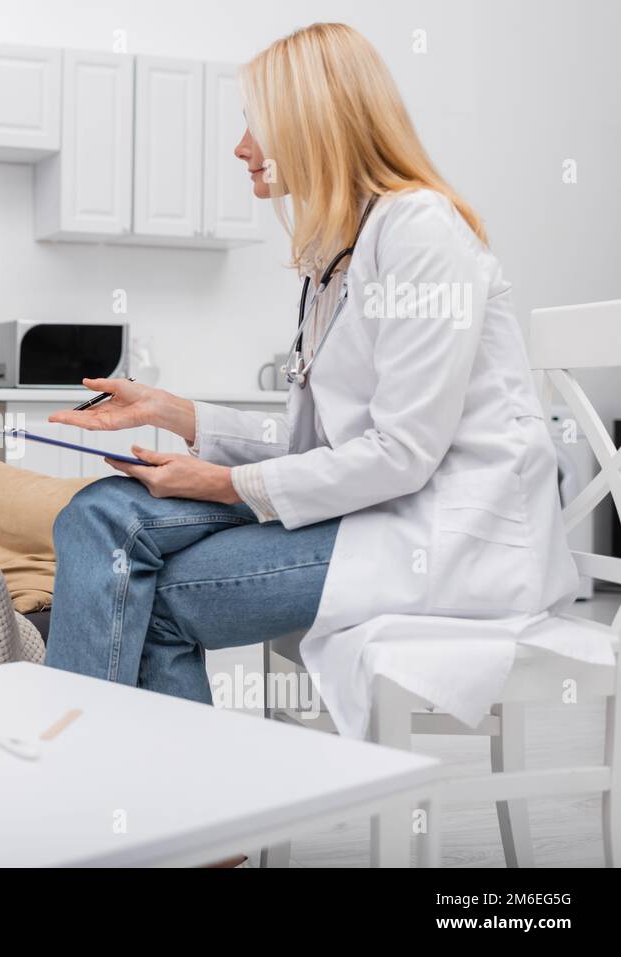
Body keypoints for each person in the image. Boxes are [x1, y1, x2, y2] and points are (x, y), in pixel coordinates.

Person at [42, 22, 578, 704]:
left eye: (256, 125)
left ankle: (111, 779)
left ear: (315, 123)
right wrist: (178, 415)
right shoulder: (335, 254)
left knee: (148, 589)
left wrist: (222, 484)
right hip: (368, 510)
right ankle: (132, 782)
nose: (241, 148)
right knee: (96, 512)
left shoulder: (420, 232)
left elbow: (402, 454)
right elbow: (316, 449)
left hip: (444, 535)